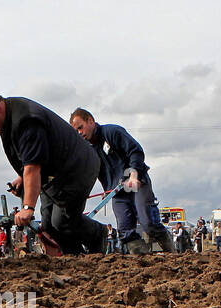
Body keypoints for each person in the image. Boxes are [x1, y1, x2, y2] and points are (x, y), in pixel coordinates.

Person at [0, 89, 107, 255]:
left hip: (76, 167)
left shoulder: (26, 119)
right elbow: (31, 155)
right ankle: (75, 257)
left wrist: (28, 207)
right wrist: (21, 177)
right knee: (48, 225)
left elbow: (33, 166)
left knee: (62, 220)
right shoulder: (7, 120)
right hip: (52, 174)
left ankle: (98, 234)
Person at [68, 107, 175, 254]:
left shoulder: (112, 132)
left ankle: (172, 253)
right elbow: (98, 172)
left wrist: (133, 174)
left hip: (135, 183)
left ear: (90, 121)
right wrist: (107, 188)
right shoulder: (87, 150)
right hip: (116, 191)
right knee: (125, 231)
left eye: (81, 127)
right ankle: (143, 262)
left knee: (148, 222)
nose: (79, 133)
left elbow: (135, 151)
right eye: (76, 131)